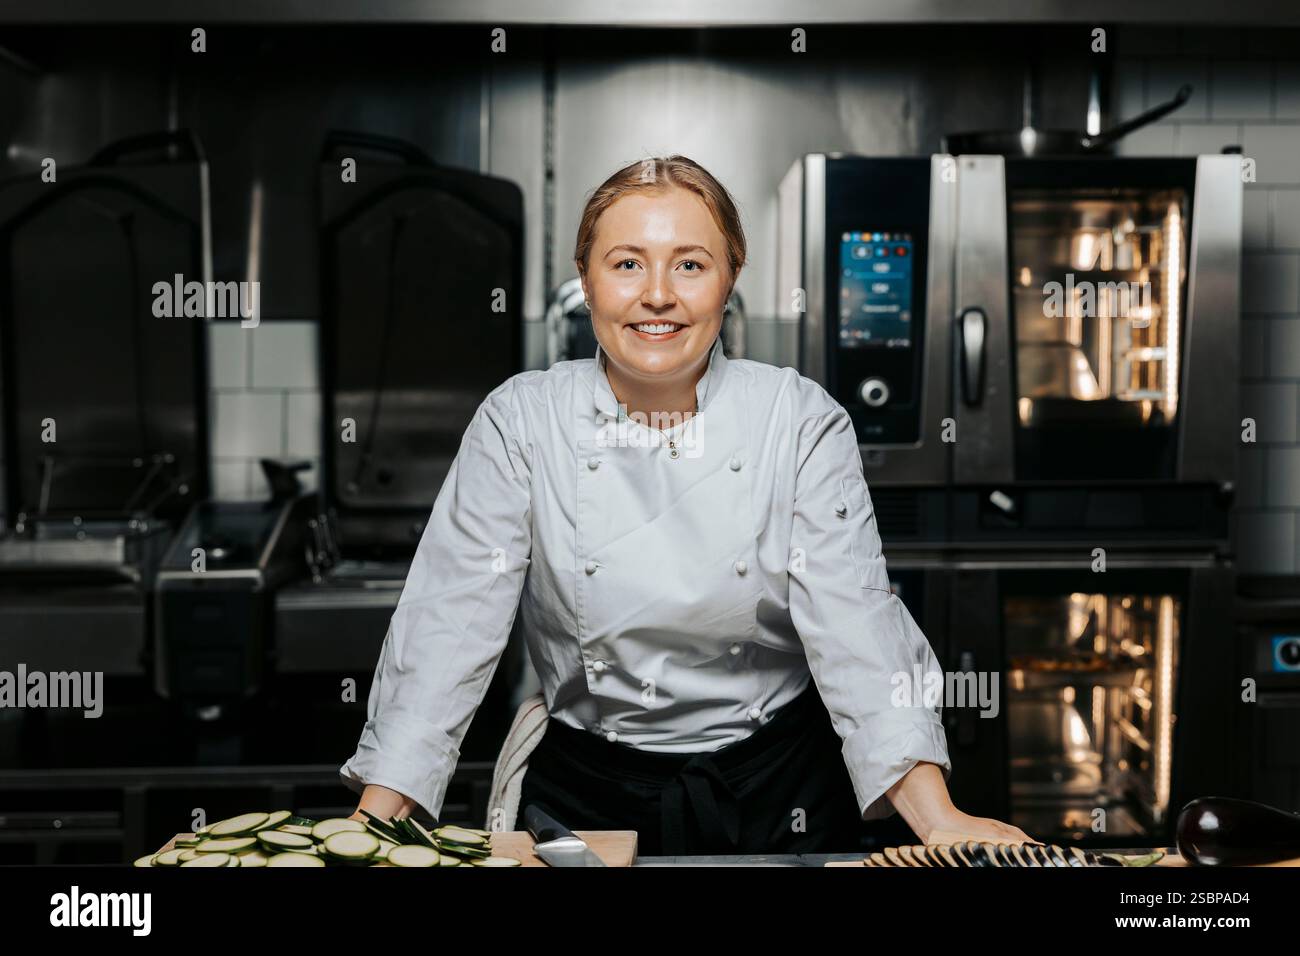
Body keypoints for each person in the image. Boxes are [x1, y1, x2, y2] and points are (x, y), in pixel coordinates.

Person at [340, 154, 1034, 855]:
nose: (658, 295)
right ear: (587, 280)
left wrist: (937, 818)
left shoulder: (795, 420)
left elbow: (856, 623)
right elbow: (449, 623)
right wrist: (377, 819)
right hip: (585, 790)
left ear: (729, 278)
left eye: (691, 265)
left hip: (776, 788)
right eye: (627, 264)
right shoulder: (522, 421)